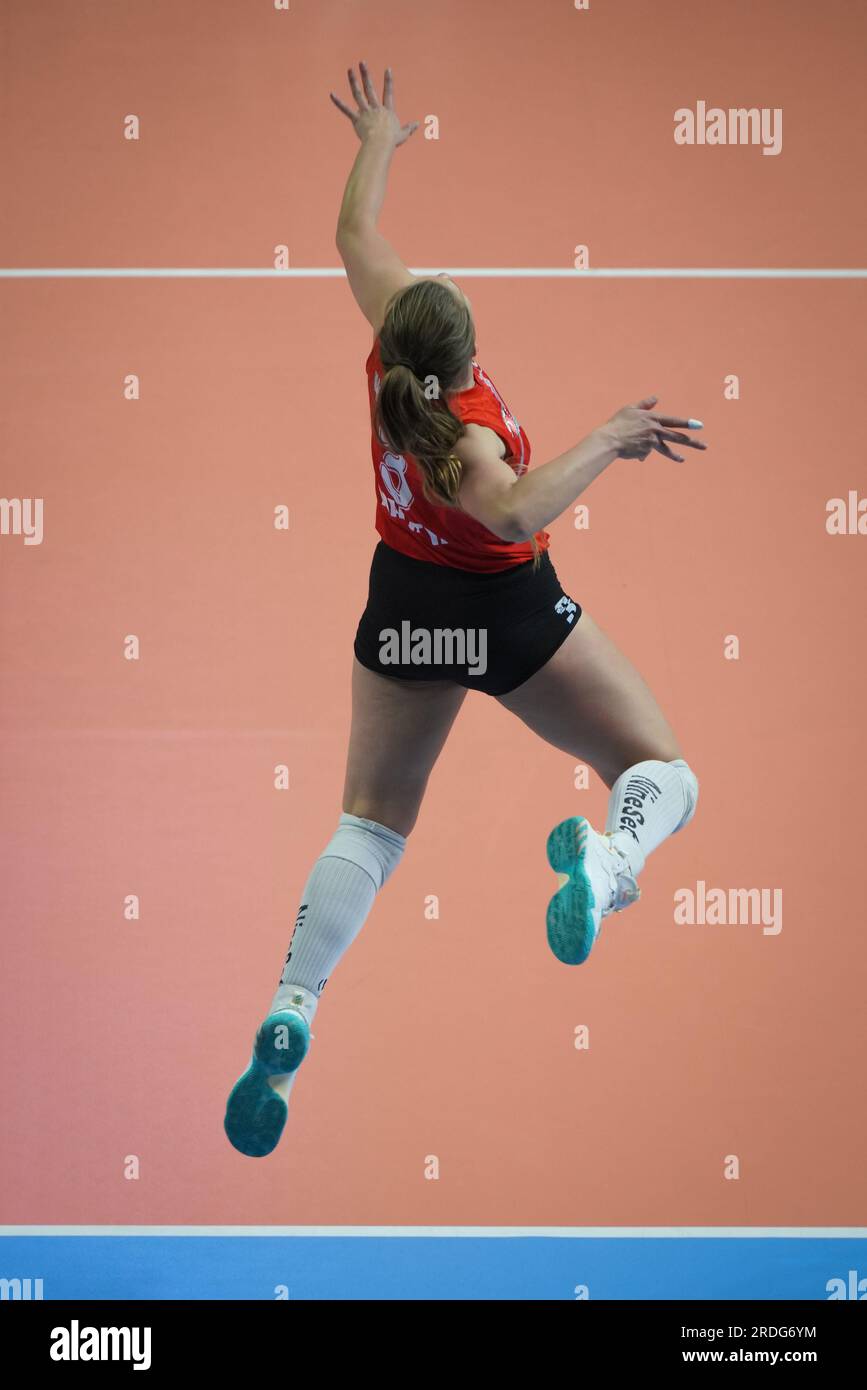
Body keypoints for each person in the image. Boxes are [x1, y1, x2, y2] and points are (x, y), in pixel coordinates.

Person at [224, 64, 705, 1158]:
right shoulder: (475, 437)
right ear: (463, 355)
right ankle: (607, 863)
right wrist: (612, 436)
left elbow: (354, 233)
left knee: (369, 824)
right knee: (662, 773)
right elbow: (514, 509)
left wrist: (380, 139)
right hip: (510, 616)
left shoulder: (389, 346)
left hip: (407, 610)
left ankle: (294, 1005)